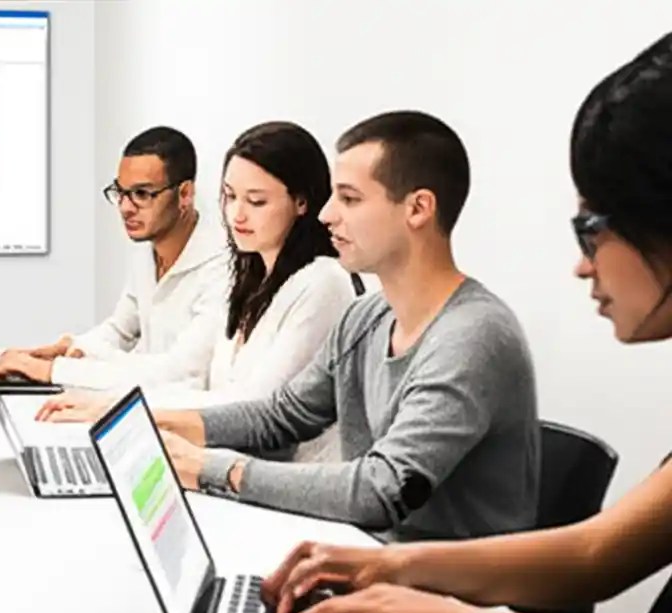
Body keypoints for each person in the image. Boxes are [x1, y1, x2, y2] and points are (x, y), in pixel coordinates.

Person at [260, 32, 672, 613]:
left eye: (592, 228)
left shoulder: (474, 328)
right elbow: (601, 553)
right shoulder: (366, 317)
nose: (582, 262)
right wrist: (396, 569)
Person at [153, 111, 540, 542]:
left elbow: (382, 489)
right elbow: (281, 416)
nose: (325, 215)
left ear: (418, 208)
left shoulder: (472, 337)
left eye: (349, 199)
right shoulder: (366, 319)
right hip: (369, 559)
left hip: (444, 593)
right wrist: (159, 426)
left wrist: (209, 469)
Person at [37, 122, 359, 461]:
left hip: (287, 487)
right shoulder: (250, 276)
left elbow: (253, 411)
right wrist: (81, 370)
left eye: (256, 201)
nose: (237, 214)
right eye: (230, 196)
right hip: (227, 465)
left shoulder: (323, 282)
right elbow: (205, 387)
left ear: (302, 202)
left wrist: (117, 407)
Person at [0, 126, 231, 390]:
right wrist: (70, 349)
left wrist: (54, 370)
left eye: (142, 194)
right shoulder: (147, 248)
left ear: (185, 194)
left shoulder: (223, 265)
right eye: (121, 192)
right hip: (142, 403)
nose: (126, 208)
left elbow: (181, 373)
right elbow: (119, 331)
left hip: (181, 418)